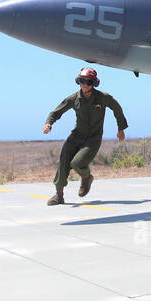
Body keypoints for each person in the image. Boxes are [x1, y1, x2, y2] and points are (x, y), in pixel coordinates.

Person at [42, 67, 127, 204]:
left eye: (88, 82)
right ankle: (59, 196)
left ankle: (87, 178)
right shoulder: (74, 98)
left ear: (94, 83)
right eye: (82, 81)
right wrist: (48, 124)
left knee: (77, 163)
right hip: (76, 136)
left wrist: (121, 128)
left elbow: (117, 108)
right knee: (63, 161)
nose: (85, 84)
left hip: (93, 139)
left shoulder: (103, 97)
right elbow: (56, 112)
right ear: (78, 81)